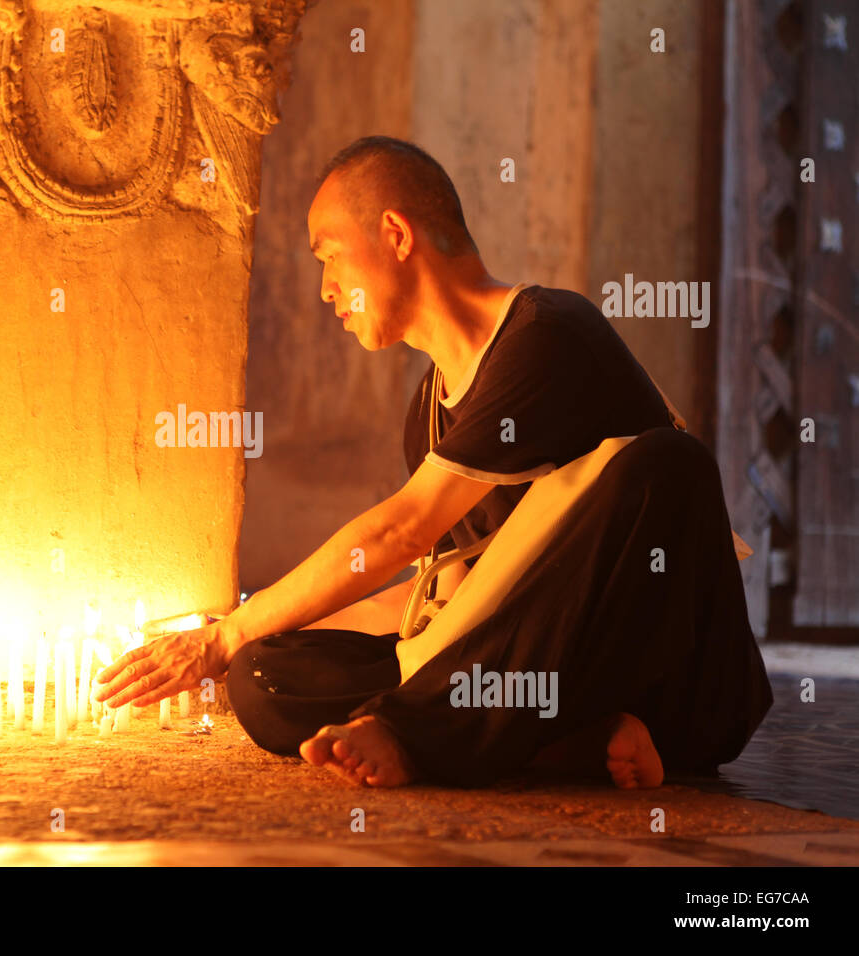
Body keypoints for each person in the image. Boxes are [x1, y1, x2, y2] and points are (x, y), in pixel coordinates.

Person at [94, 136, 773, 789]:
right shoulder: (426, 412)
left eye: (330, 257)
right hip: (542, 687)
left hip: (669, 685)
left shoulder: (548, 336)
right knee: (266, 677)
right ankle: (581, 743)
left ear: (394, 234)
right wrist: (253, 633)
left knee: (666, 465)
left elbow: (401, 533)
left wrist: (222, 635)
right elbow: (440, 597)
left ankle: (420, 734)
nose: (326, 289)